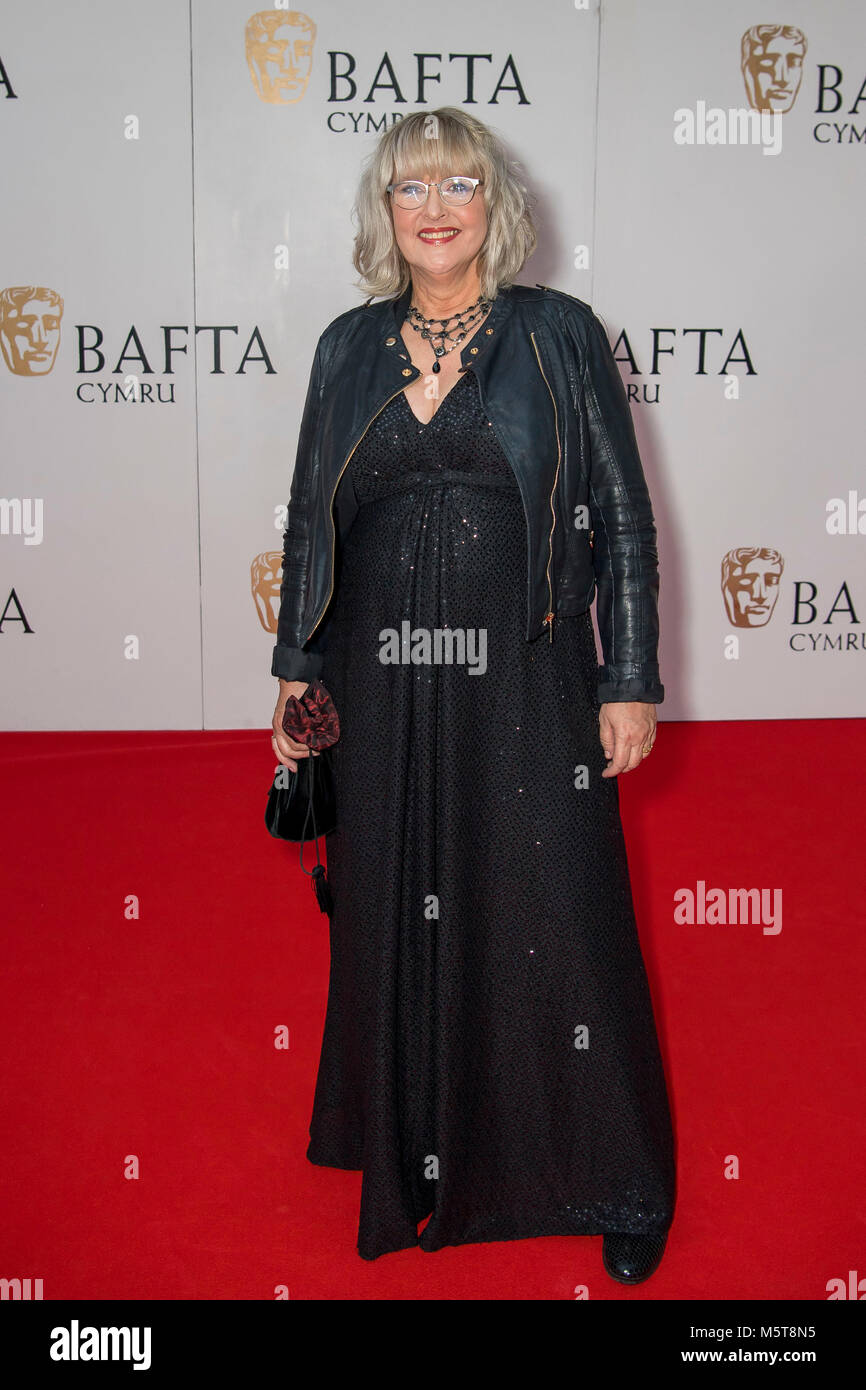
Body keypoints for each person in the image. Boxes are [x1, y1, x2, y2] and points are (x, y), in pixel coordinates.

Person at [270, 107, 676, 1283]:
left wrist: (629, 675)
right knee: (393, 900)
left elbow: (623, 515)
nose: (434, 207)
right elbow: (308, 521)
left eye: (457, 184)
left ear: (491, 204)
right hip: (382, 680)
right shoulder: (347, 346)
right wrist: (297, 679)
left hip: (529, 667)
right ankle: (405, 1138)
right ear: (383, 212)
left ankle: (617, 1174)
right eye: (410, 189)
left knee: (564, 912)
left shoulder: (555, 334)